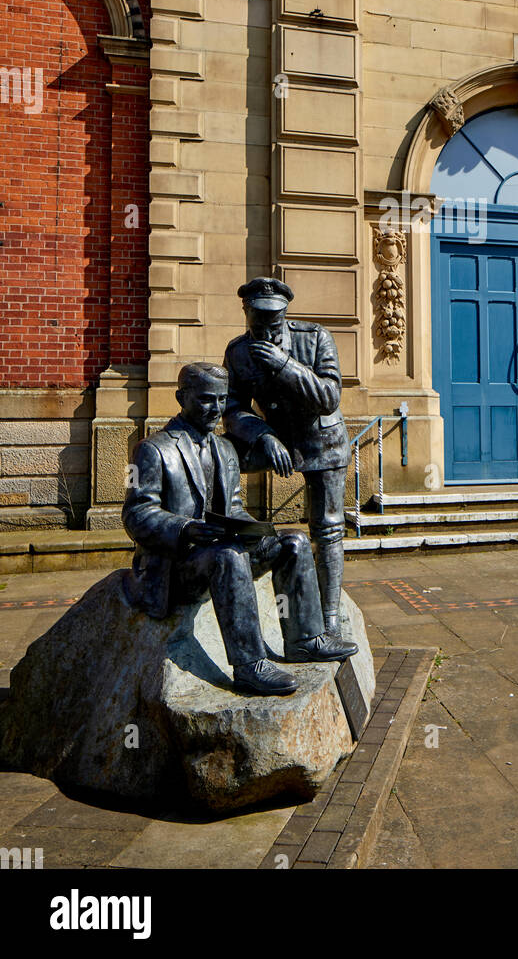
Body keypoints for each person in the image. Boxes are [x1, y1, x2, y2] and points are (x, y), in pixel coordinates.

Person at [122, 362, 357, 697]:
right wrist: (186, 528)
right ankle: (249, 666)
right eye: (205, 399)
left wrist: (252, 530)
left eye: (220, 400)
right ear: (180, 397)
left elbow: (232, 509)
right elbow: (136, 514)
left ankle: (304, 639)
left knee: (293, 542)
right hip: (176, 565)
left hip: (219, 548)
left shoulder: (225, 448)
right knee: (229, 556)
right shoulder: (152, 449)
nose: (215, 408)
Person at [222, 277, 351, 636]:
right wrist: (261, 435)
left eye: (274, 320)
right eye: (258, 320)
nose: (266, 327)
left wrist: (284, 364)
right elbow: (231, 407)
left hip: (322, 441)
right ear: (245, 312)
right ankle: (231, 552)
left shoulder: (315, 338)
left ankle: (328, 616)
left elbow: (328, 396)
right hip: (275, 441)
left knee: (327, 528)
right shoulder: (238, 352)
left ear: (285, 314)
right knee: (221, 454)